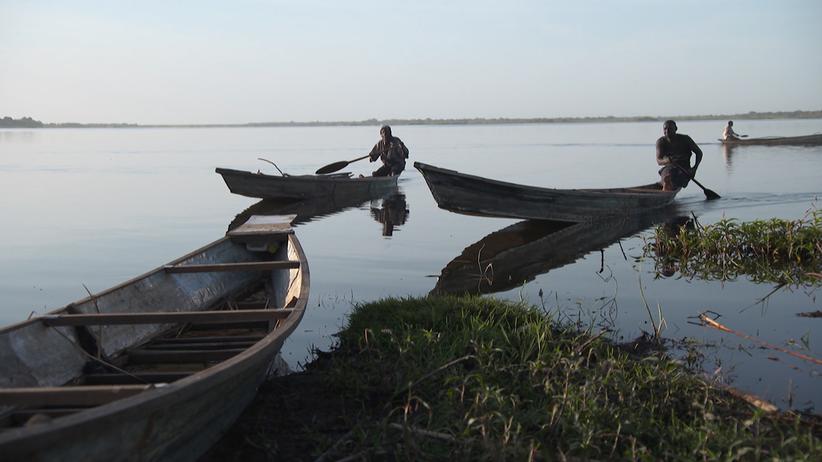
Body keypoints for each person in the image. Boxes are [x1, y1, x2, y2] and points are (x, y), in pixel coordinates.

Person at [656, 120, 703, 191]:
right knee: (667, 175)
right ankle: (665, 184)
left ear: (676, 129)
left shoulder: (685, 139)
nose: (667, 131)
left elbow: (699, 153)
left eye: (670, 128)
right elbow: (659, 161)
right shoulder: (661, 142)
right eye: (665, 129)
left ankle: (667, 185)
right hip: (669, 168)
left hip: (684, 168)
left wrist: (694, 169)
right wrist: (667, 160)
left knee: (676, 178)